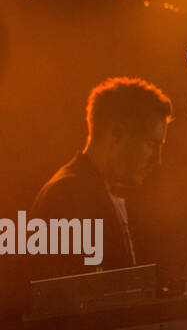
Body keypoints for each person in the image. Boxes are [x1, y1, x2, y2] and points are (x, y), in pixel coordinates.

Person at [27, 77, 172, 285]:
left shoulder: (84, 190)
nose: (157, 160)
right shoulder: (70, 195)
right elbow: (77, 305)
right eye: (150, 144)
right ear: (116, 134)